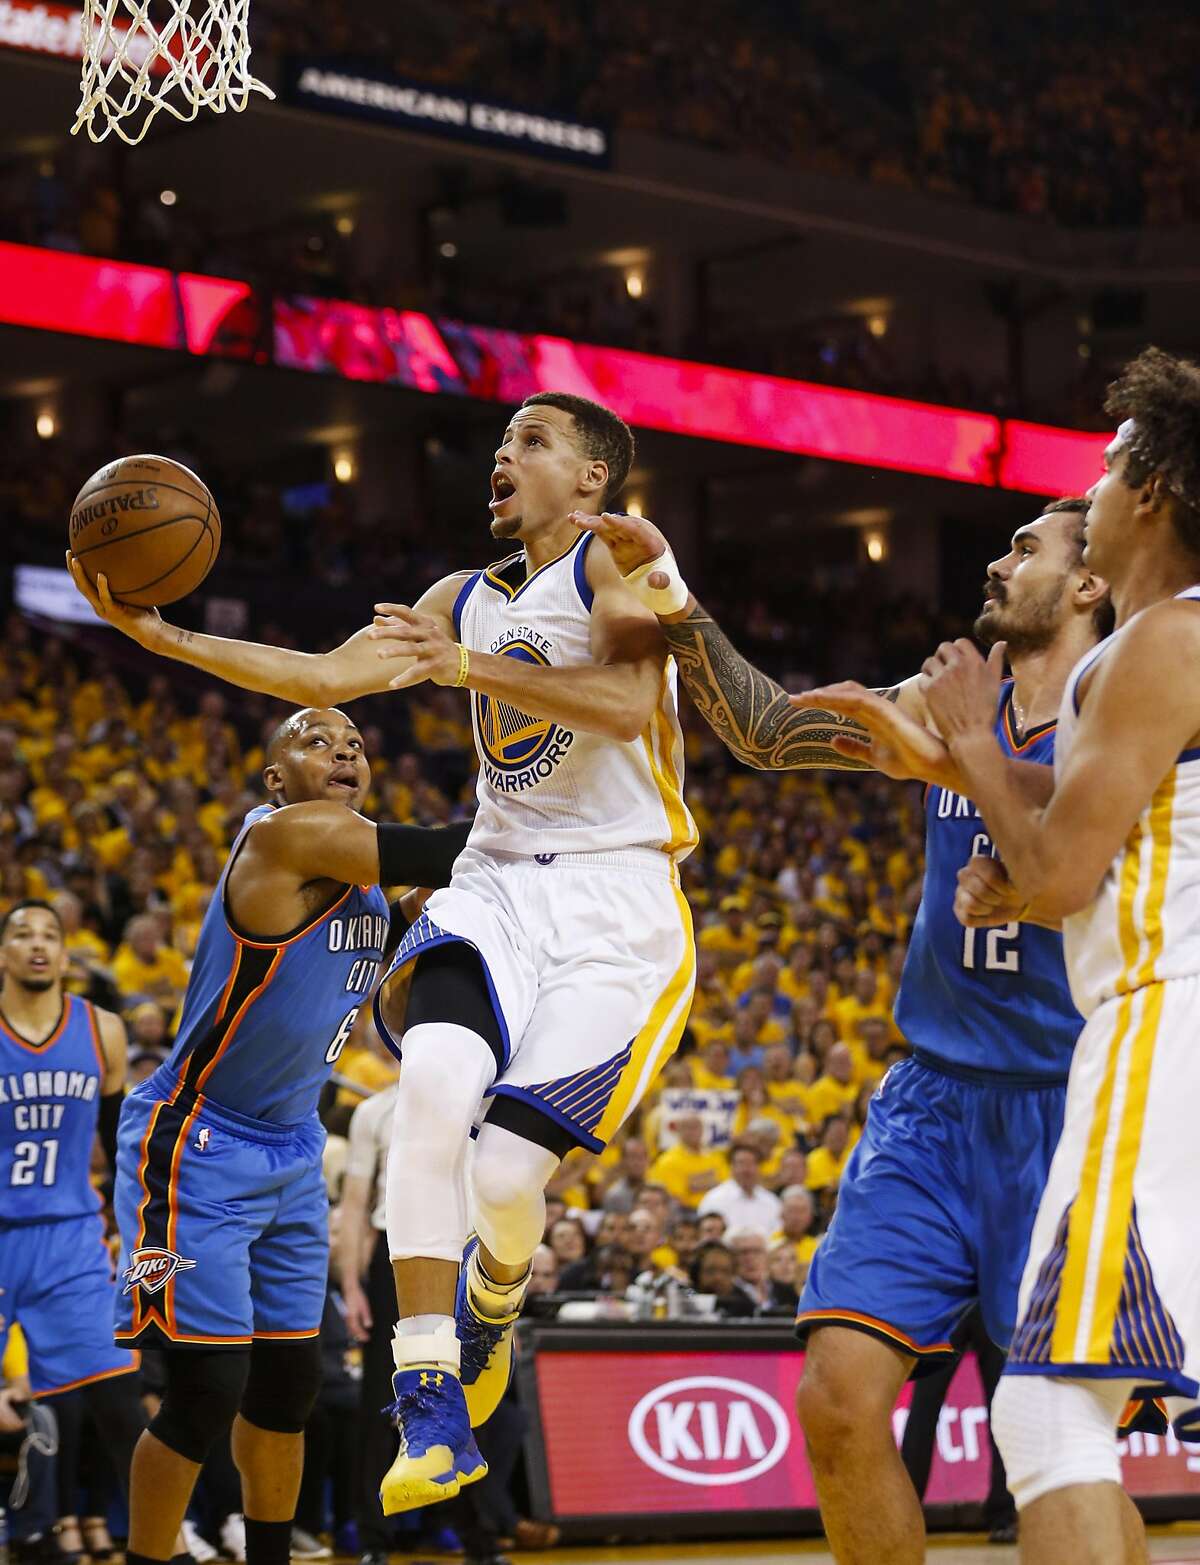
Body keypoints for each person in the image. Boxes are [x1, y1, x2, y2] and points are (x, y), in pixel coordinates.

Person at [71, 391, 698, 1518]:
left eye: (535, 440)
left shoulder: (618, 566)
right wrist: (161, 636)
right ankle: (425, 1385)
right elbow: (321, 676)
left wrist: (464, 670)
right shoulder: (460, 598)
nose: (504, 452)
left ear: (594, 478)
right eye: (503, 438)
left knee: (507, 1177)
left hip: (620, 894)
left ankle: (493, 1296)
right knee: (430, 1085)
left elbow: (618, 699)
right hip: (497, 877)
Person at [577, 495, 1118, 1563]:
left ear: (1090, 582)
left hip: (1070, 1107)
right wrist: (675, 598)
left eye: (1027, 548)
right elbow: (767, 731)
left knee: (1058, 1437)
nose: (1000, 562)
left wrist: (955, 751)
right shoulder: (950, 695)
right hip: (930, 1102)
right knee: (834, 1398)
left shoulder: (1121, 711)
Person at [836, 348, 1200, 1563]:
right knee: (1059, 1411)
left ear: (1147, 492)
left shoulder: (1154, 646)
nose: (1087, 494)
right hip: (1125, 1037)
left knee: (1044, 1410)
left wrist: (978, 766)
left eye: (1101, 473)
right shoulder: (1164, 648)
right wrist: (971, 770)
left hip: (1158, 1028)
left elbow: (1055, 878)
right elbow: (1084, 815)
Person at [97, 705, 470, 1565]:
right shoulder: (283, 837)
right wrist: (558, 812)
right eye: (316, 740)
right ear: (276, 779)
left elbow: (397, 1007)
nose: (343, 751)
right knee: (203, 1388)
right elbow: (452, 848)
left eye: (355, 745)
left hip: (294, 1146)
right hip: (195, 1140)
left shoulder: (373, 887)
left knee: (289, 1385)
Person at [0, 899, 146, 1561]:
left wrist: (134, 1229)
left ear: (65, 954)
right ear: (4, 952)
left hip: (68, 1237)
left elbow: (120, 1146)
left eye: (50, 935)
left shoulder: (103, 1030)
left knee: (120, 1402)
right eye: (22, 934)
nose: (37, 945)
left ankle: (159, 1543)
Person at [697, 1142, 782, 1237]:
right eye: (741, 1163)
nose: (747, 1169)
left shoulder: (771, 1202)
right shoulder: (714, 1199)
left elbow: (777, 1236)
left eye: (752, 1163)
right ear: (731, 1167)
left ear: (759, 1167)